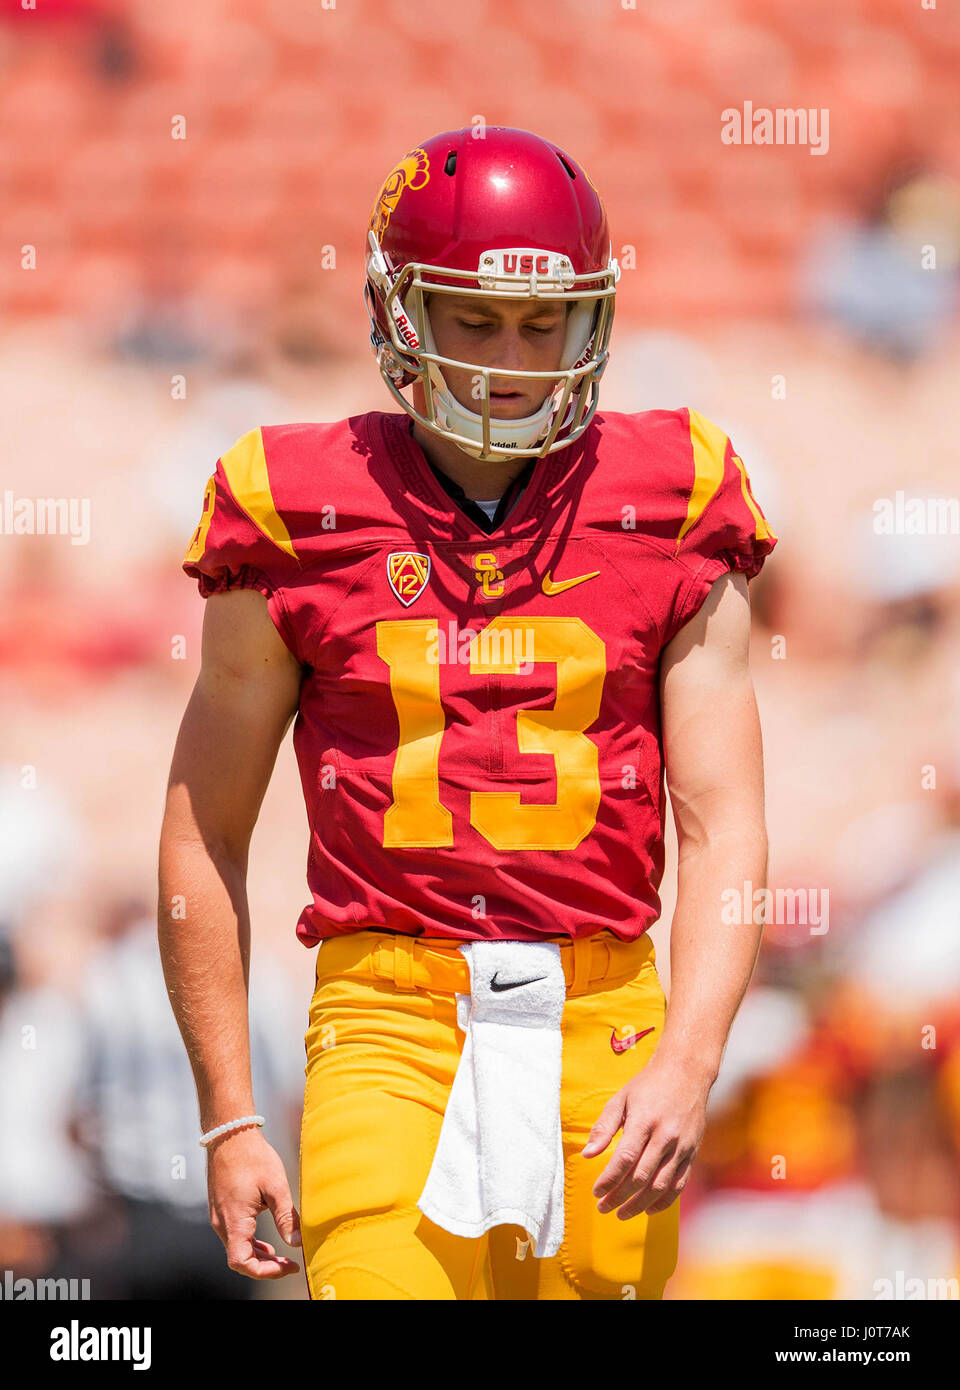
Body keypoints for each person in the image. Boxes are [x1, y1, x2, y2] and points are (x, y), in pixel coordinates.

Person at [159, 125, 777, 1300]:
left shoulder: (677, 490)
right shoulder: (290, 503)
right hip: (389, 1015)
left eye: (543, 323)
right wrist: (229, 1115)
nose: (512, 360)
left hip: (608, 1012)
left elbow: (725, 823)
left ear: (590, 319)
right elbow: (205, 830)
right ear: (400, 314)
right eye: (476, 320)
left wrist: (692, 1059)